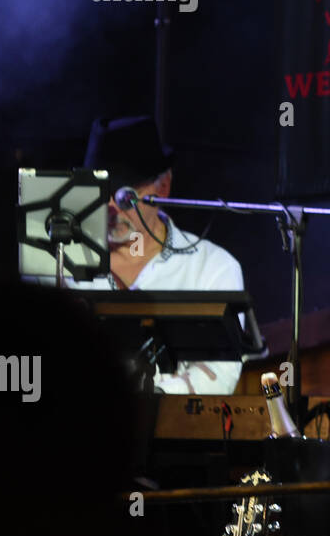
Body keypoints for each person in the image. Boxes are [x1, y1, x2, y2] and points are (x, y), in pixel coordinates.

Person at [62, 115, 246, 394]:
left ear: (163, 187)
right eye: (101, 191)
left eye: (126, 192)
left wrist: (144, 398)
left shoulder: (212, 266)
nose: (111, 205)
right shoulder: (60, 263)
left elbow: (218, 373)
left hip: (172, 430)